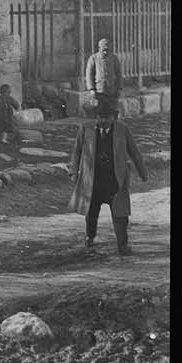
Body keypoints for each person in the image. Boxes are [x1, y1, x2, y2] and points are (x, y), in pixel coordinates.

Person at [68, 94, 148, 256]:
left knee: (120, 215)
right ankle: (89, 238)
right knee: (91, 212)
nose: (103, 120)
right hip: (93, 181)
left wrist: (143, 172)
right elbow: (77, 151)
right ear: (96, 117)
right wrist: (73, 172)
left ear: (113, 117)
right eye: (100, 117)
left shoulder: (122, 129)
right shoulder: (86, 128)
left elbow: (134, 151)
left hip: (115, 181)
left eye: (106, 117)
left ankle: (122, 245)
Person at [0, 83, 20, 150]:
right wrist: (17, 108)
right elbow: (16, 105)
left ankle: (0, 136)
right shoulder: (10, 98)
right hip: (7, 117)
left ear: (0, 91)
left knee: (0, 126)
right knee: (5, 128)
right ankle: (4, 139)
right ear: (9, 92)